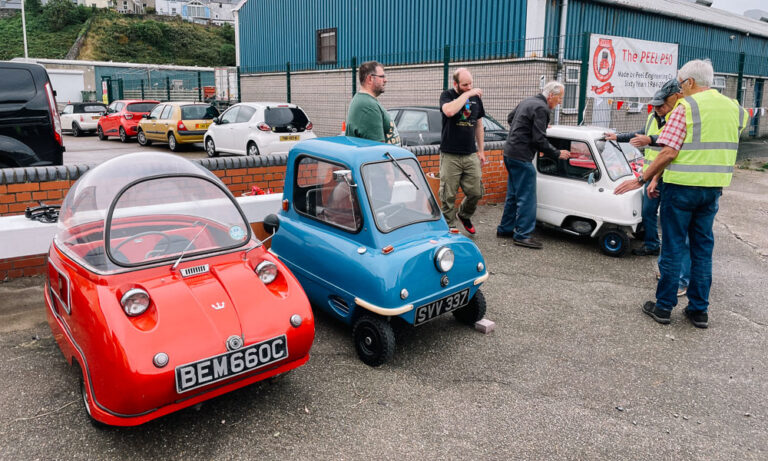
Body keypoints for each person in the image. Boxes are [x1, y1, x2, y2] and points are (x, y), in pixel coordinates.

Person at [615, 59, 749, 329]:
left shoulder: (685, 107)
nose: (679, 89)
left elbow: (669, 151)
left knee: (673, 247)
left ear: (690, 82)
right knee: (702, 249)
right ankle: (699, 311)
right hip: (712, 190)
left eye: (680, 83)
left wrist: (642, 178)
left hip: (681, 190)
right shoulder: (736, 109)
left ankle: (664, 307)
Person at [606, 79, 691, 297]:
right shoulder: (653, 117)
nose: (657, 108)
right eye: (655, 105)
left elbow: (666, 143)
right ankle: (653, 244)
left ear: (672, 101)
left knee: (675, 227)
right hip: (652, 174)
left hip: (667, 175)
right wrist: (617, 137)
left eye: (661, 105)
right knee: (649, 212)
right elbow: (640, 135)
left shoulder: (678, 116)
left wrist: (650, 142)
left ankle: (678, 276)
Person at [496, 81, 569, 249]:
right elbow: (539, 140)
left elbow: (510, 118)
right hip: (522, 157)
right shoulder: (542, 108)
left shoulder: (528, 101)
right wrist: (557, 153)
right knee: (527, 198)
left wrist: (531, 128)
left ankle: (505, 229)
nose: (560, 102)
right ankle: (523, 235)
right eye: (559, 98)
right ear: (551, 95)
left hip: (509, 153)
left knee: (513, 194)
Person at [438, 68, 486, 234]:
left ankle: (464, 215)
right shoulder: (447, 95)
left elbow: (479, 125)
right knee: (448, 195)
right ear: (455, 84)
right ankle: (449, 227)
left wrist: (481, 150)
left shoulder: (476, 99)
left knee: (476, 191)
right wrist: (467, 94)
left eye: (471, 84)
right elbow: (449, 111)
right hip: (450, 154)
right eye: (465, 85)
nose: (469, 87)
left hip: (470, 153)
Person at [345, 61, 400, 145]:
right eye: (382, 77)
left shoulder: (367, 101)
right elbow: (377, 148)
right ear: (370, 79)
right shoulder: (367, 106)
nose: (385, 80)